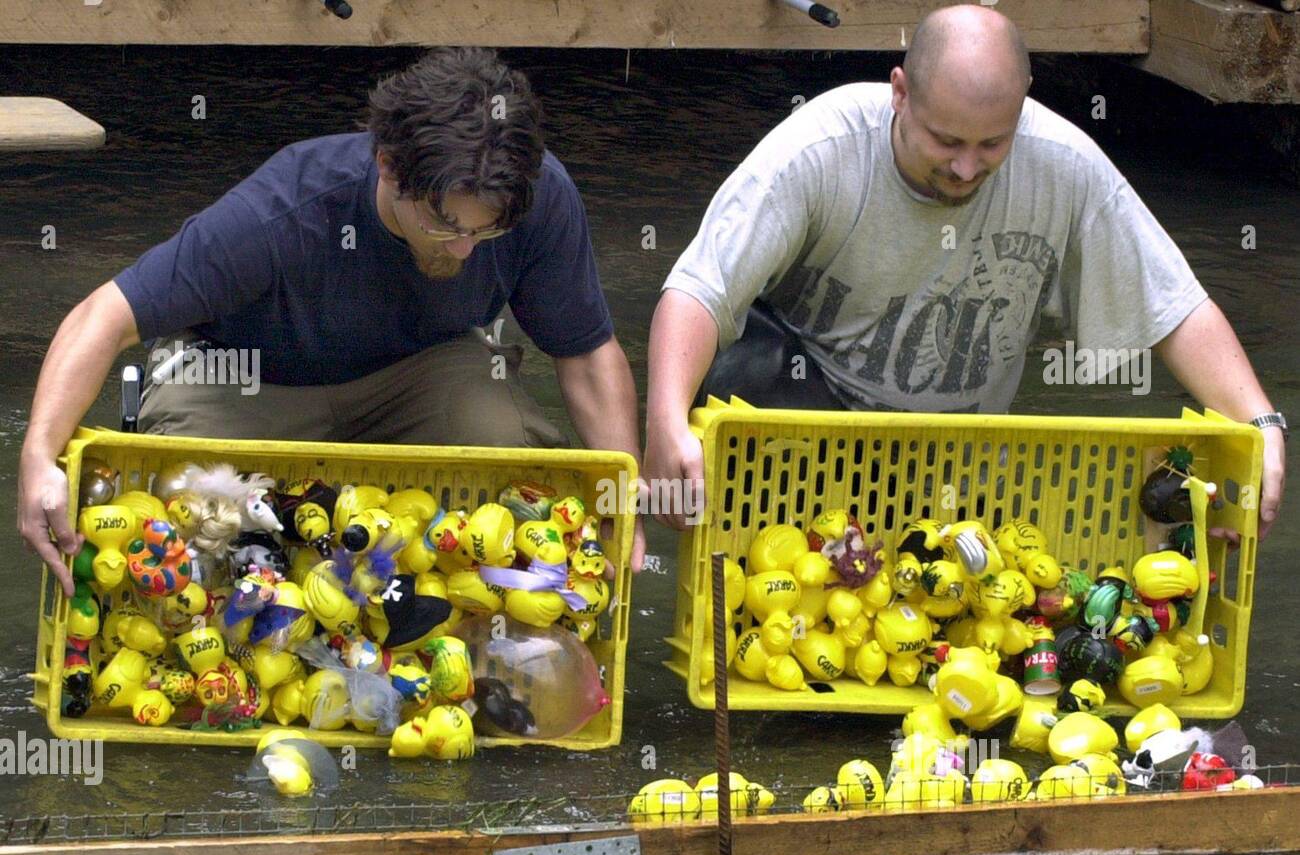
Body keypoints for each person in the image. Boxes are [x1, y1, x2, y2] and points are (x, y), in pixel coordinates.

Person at [20, 47, 644, 595]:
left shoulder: (539, 197)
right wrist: (38, 458)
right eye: (444, 224)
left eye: (488, 231)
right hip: (249, 375)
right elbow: (101, 317)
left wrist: (623, 505)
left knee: (511, 457)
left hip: (419, 371)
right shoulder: (283, 209)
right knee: (191, 508)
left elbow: (588, 357)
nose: (464, 249)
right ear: (388, 168)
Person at [644, 4, 1285, 537]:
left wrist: (1259, 423)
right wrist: (666, 423)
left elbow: (1173, 308)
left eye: (992, 144)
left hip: (954, 466)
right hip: (800, 434)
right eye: (946, 141)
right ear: (899, 93)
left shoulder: (1065, 164)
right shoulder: (818, 150)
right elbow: (700, 290)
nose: (967, 169)